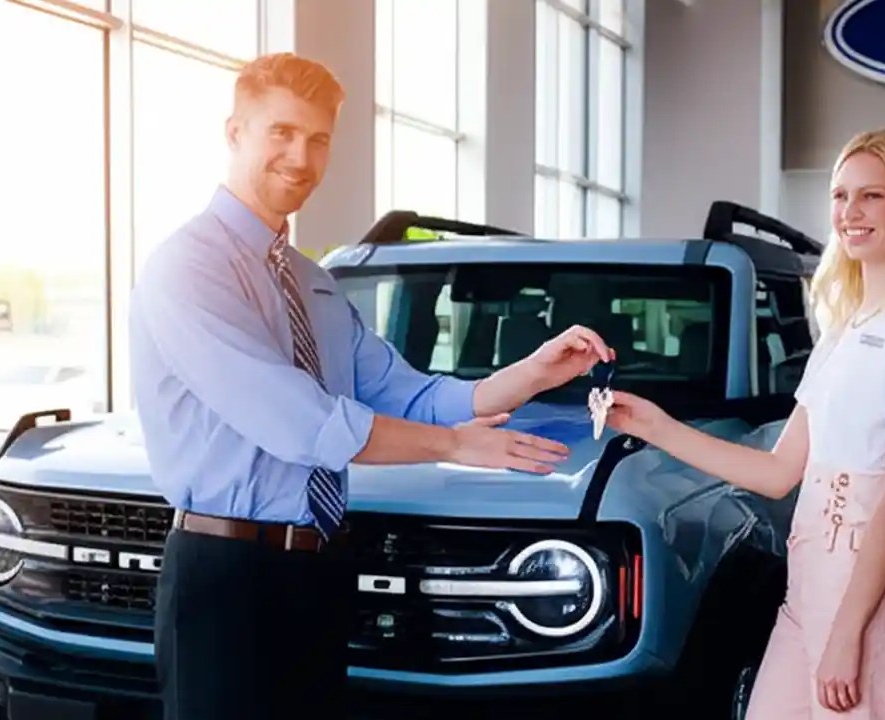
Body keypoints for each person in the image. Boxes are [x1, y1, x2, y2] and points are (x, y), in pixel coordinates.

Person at [128, 52, 613, 720]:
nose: (301, 156)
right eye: (282, 132)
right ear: (235, 132)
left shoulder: (312, 281)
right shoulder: (188, 267)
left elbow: (413, 394)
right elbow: (302, 425)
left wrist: (533, 372)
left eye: (318, 139)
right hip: (226, 576)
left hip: (319, 571)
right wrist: (454, 446)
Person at [605, 128, 885, 718]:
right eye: (841, 196)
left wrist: (850, 632)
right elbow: (776, 472)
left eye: (872, 195)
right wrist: (655, 425)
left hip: (869, 599)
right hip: (805, 590)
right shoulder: (842, 328)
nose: (851, 212)